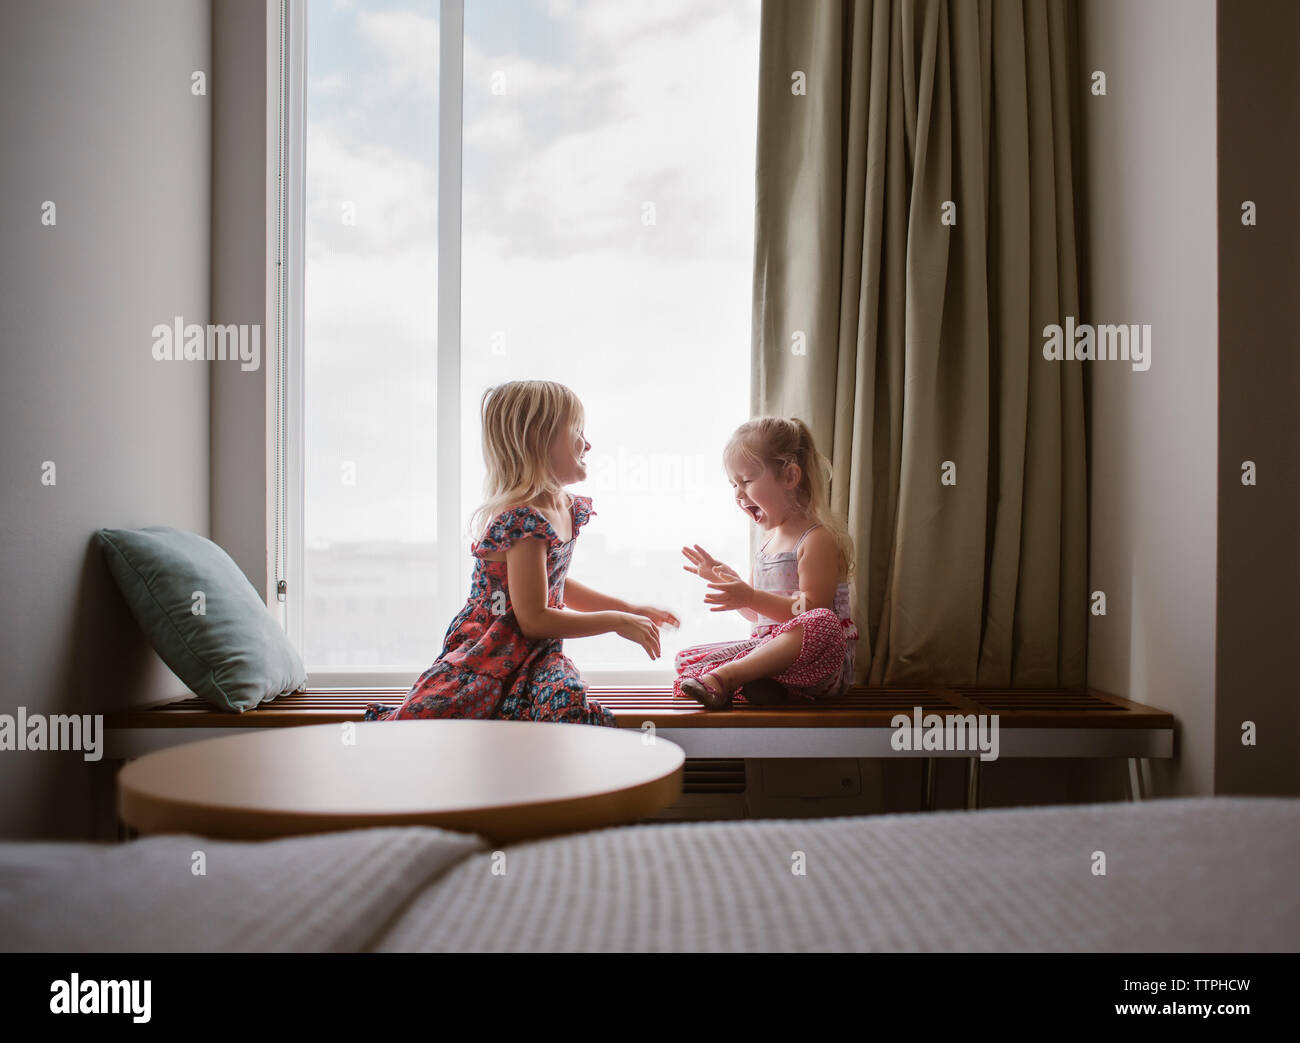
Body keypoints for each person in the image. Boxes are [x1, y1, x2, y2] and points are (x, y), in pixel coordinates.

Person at [363, 380, 678, 726]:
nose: (588, 443)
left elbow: (556, 585)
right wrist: (616, 621)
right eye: (577, 431)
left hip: (537, 653)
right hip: (490, 650)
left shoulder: (564, 507)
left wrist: (628, 608)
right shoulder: (522, 520)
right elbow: (534, 619)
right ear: (538, 442)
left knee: (567, 702)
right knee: (432, 724)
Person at [677, 416, 859, 710]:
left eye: (746, 481)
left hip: (823, 665)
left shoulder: (816, 539)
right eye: (733, 484)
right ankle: (767, 687)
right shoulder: (765, 545)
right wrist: (733, 588)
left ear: (790, 477)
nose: (738, 494)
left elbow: (812, 610)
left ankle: (726, 678)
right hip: (774, 661)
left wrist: (749, 595)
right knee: (686, 660)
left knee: (822, 623)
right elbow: (756, 615)